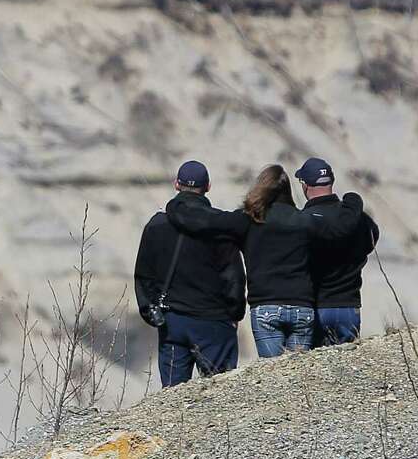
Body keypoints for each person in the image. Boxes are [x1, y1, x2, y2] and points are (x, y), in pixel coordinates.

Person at [167, 164, 364, 359]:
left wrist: (176, 207)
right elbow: (342, 227)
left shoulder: (248, 220)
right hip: (301, 307)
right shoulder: (303, 220)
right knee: (299, 372)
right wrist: (353, 201)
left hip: (266, 307)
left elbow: (208, 221)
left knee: (273, 373)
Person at [134, 160, 251, 387]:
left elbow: (144, 276)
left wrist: (150, 311)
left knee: (172, 395)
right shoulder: (220, 226)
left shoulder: (156, 226)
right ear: (208, 187)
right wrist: (235, 314)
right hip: (214, 323)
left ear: (177, 184)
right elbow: (233, 278)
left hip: (172, 323)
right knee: (219, 391)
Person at [294, 157, 380, 347]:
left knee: (316, 364)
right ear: (331, 182)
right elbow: (371, 240)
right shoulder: (357, 218)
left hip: (315, 305)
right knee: (346, 363)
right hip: (349, 304)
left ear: (305, 185)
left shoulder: (303, 220)